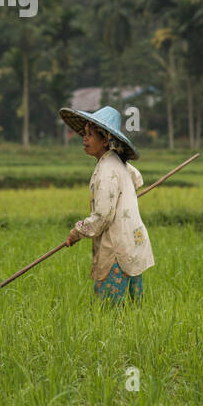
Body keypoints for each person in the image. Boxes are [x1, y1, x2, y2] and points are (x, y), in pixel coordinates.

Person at [59, 104, 154, 304]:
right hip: (133, 243)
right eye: (84, 134)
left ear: (105, 140)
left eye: (90, 135)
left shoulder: (106, 171)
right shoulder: (118, 163)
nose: (84, 139)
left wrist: (77, 232)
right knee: (134, 312)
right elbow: (137, 179)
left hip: (118, 250)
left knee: (109, 314)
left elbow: (102, 217)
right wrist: (124, 196)